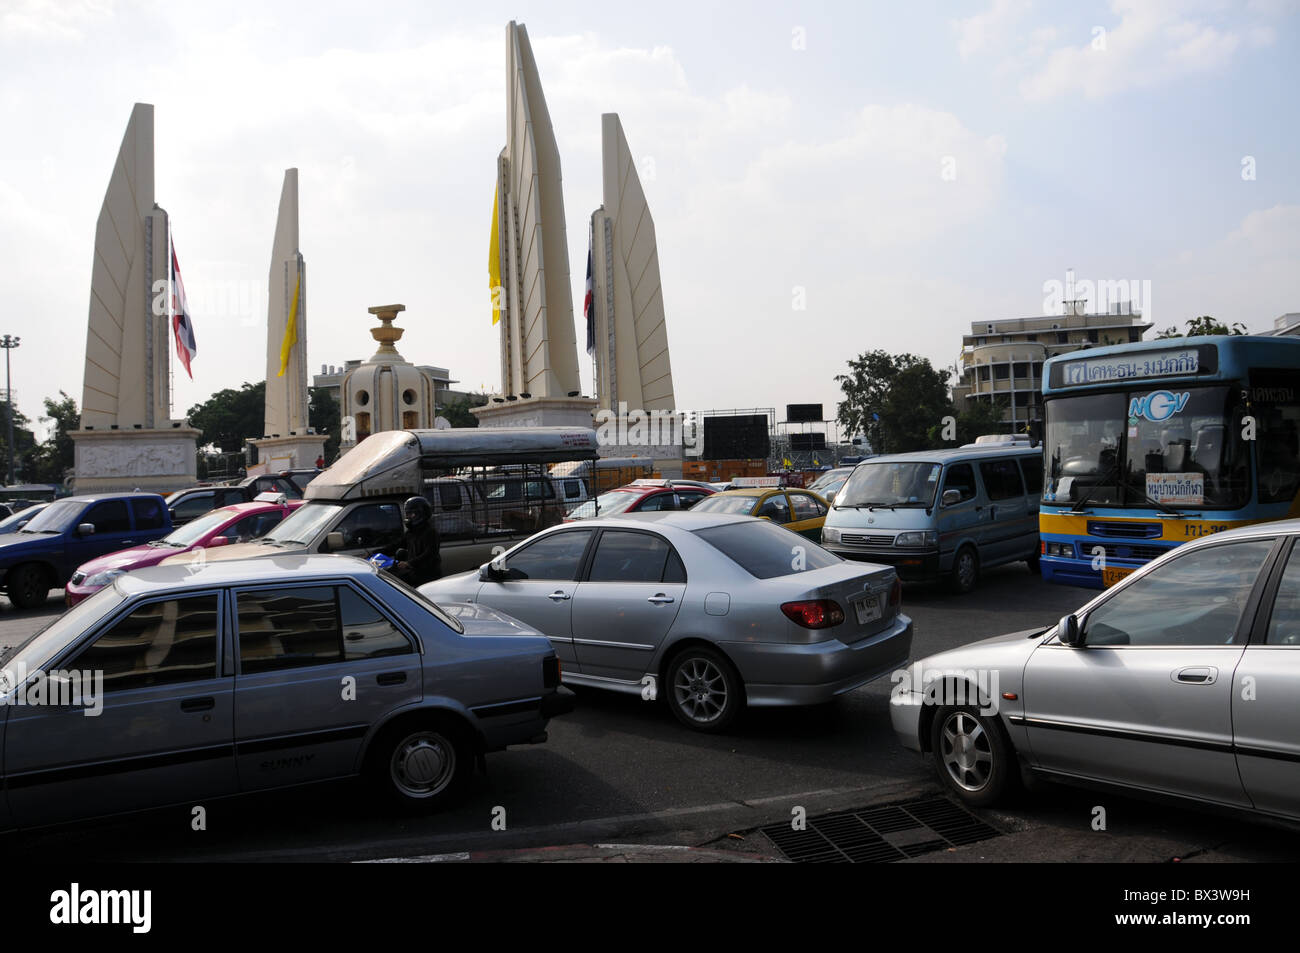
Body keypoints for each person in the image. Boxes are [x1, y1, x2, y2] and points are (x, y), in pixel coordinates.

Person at [393, 495, 441, 585]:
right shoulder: (412, 532)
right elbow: (397, 545)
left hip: (427, 576)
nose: (408, 516)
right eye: (407, 514)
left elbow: (430, 554)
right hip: (415, 573)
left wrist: (408, 563)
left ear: (420, 514)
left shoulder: (430, 532)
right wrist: (374, 553)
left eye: (411, 514)